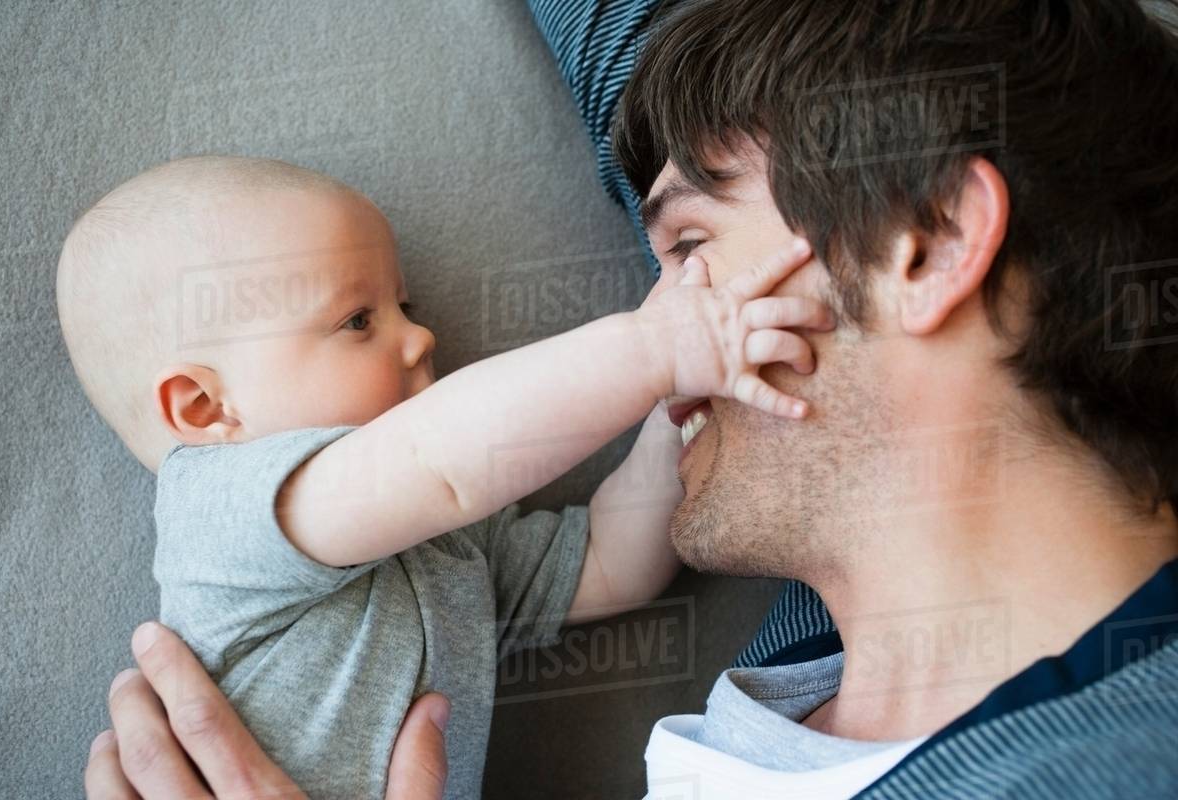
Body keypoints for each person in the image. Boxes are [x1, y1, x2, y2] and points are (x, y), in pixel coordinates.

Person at [84, 0, 1178, 797]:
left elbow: (585, 539)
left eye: (691, 248)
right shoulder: (237, 504)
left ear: (924, 243)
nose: (661, 311)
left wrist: (655, 376)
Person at [59, 155, 828, 799]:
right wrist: (652, 349)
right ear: (205, 408)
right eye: (358, 320)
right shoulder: (225, 508)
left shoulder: (449, 547)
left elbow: (609, 563)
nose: (421, 336)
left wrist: (673, 410)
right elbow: (437, 459)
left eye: (404, 305)